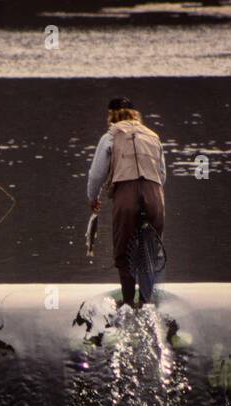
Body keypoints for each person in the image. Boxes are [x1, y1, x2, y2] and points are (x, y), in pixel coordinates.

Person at [86, 96, 167, 308]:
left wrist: (93, 198)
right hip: (154, 195)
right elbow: (163, 174)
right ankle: (148, 301)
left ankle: (129, 302)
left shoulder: (109, 137)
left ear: (111, 116)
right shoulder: (153, 136)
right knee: (149, 250)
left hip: (126, 195)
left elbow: (96, 175)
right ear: (135, 114)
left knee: (123, 252)